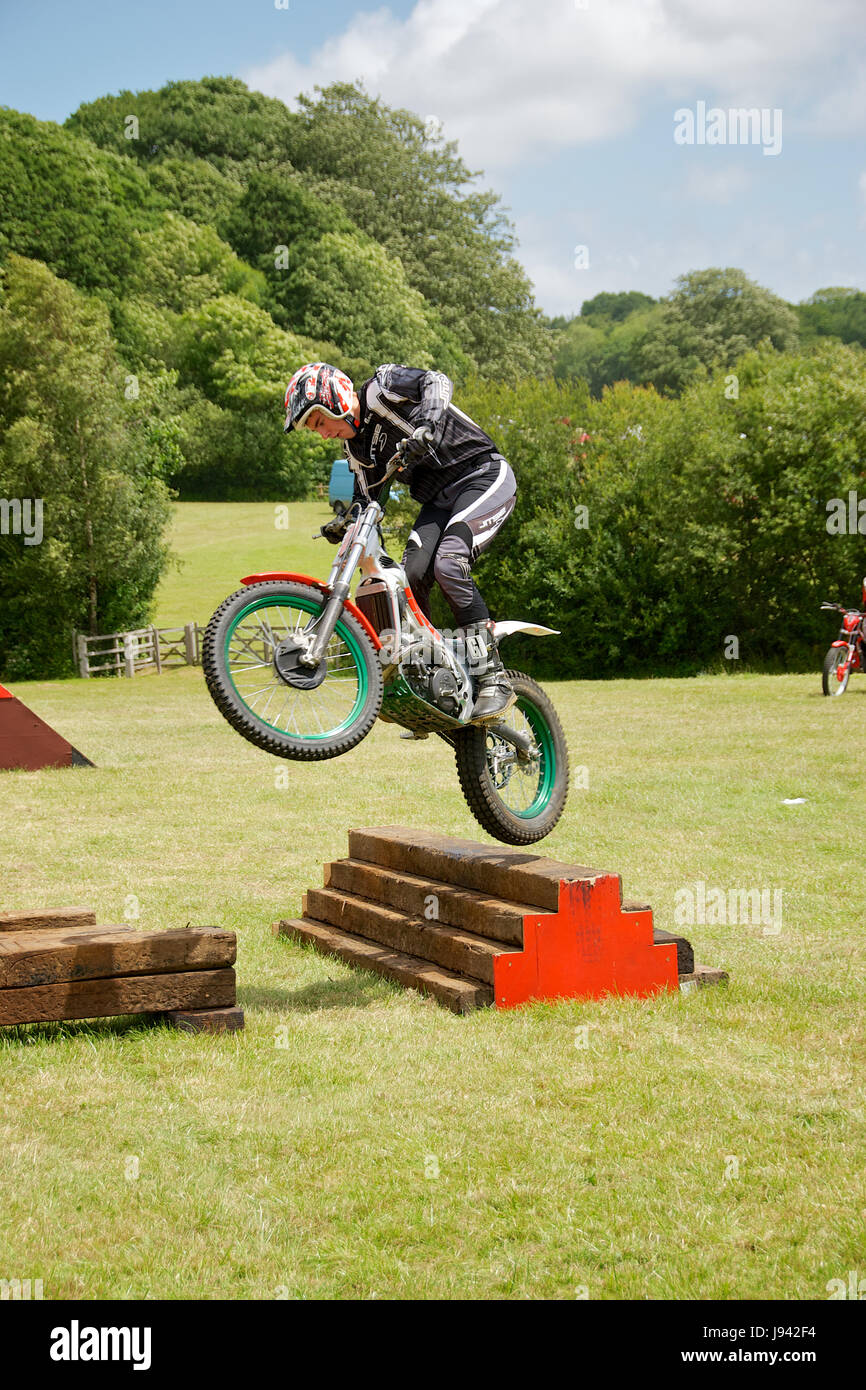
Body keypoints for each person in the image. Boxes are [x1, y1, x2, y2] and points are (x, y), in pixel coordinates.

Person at [283, 361, 517, 721]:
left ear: (335, 398)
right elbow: (369, 502)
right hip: (438, 502)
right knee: (411, 577)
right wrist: (346, 523)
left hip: (482, 475)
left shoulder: (382, 387)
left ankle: (493, 678)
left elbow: (437, 381)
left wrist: (427, 426)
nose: (323, 434)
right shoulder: (356, 452)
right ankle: (433, 678)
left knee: (449, 563)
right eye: (314, 430)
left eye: (318, 422)